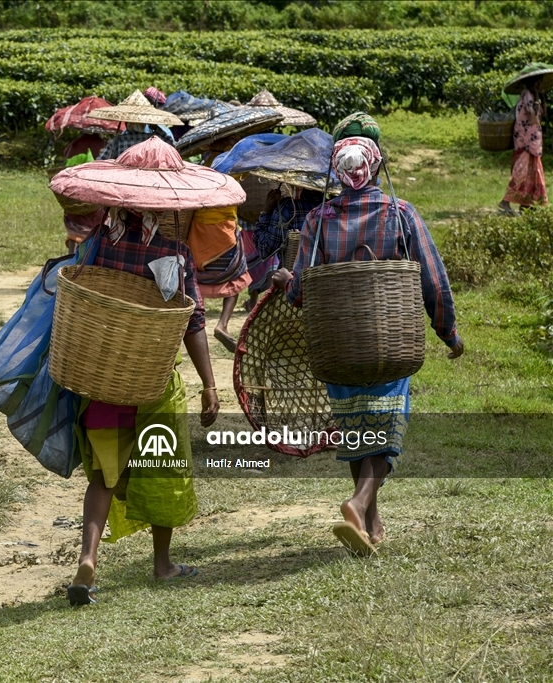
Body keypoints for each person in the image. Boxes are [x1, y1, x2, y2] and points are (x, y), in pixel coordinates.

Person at [272, 113, 464, 556]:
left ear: (337, 170)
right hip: (386, 338)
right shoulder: (400, 214)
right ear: (376, 166)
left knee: (358, 424)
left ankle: (371, 525)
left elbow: (301, 290)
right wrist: (448, 333)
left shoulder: (318, 220)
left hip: (337, 342)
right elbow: (432, 279)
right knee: (384, 425)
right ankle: (358, 504)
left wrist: (287, 283)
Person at [68, 209, 220, 605]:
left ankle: (88, 558)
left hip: (103, 379)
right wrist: (209, 383)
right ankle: (162, 564)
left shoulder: (95, 245)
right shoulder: (175, 253)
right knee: (161, 472)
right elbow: (194, 321)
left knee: (103, 476)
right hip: (153, 381)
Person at [187, 205, 249, 353]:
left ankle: (197, 322)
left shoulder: (200, 181)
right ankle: (222, 324)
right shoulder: (231, 180)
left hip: (199, 232)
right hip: (225, 231)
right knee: (236, 276)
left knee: (196, 280)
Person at [499, 77, 547, 215]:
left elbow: (542, 114)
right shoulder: (526, 94)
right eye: (538, 82)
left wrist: (541, 97)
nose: (539, 85)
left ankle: (527, 204)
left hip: (533, 139)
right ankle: (505, 201)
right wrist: (537, 100)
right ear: (533, 82)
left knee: (533, 171)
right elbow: (533, 117)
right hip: (525, 139)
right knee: (522, 170)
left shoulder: (534, 96)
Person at [253, 184, 323, 267]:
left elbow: (265, 250)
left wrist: (266, 212)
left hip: (291, 275)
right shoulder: (333, 209)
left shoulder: (288, 207)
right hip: (323, 274)